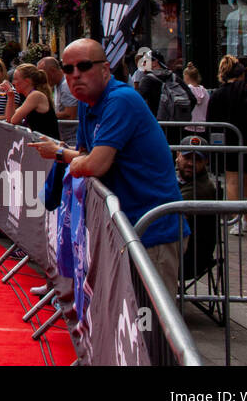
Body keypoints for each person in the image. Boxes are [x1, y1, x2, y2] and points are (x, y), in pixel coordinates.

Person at [31, 39, 187, 282]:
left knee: (147, 317)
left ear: (105, 69)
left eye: (84, 66)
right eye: (68, 68)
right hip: (123, 226)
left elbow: (93, 164)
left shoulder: (121, 99)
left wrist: (61, 154)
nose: (75, 75)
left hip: (151, 228)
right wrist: (77, 159)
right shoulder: (86, 101)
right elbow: (84, 154)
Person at [206, 54, 247, 235]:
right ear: (242, 75)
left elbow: (211, 122)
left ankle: (236, 220)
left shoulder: (218, 94)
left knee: (232, 180)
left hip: (228, 142)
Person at [6, 63, 60, 140]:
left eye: (15, 79)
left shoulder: (35, 95)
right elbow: (10, 119)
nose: (13, 83)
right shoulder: (31, 96)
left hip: (49, 145)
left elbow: (13, 121)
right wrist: (10, 96)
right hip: (41, 144)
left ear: (27, 81)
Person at [38, 56, 79, 121]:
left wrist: (44, 115)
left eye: (43, 74)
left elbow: (70, 115)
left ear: (52, 70)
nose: (42, 79)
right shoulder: (57, 84)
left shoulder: (66, 85)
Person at [182, 63, 210, 135]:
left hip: (188, 127)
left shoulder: (186, 91)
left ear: (186, 76)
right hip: (203, 127)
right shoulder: (206, 92)